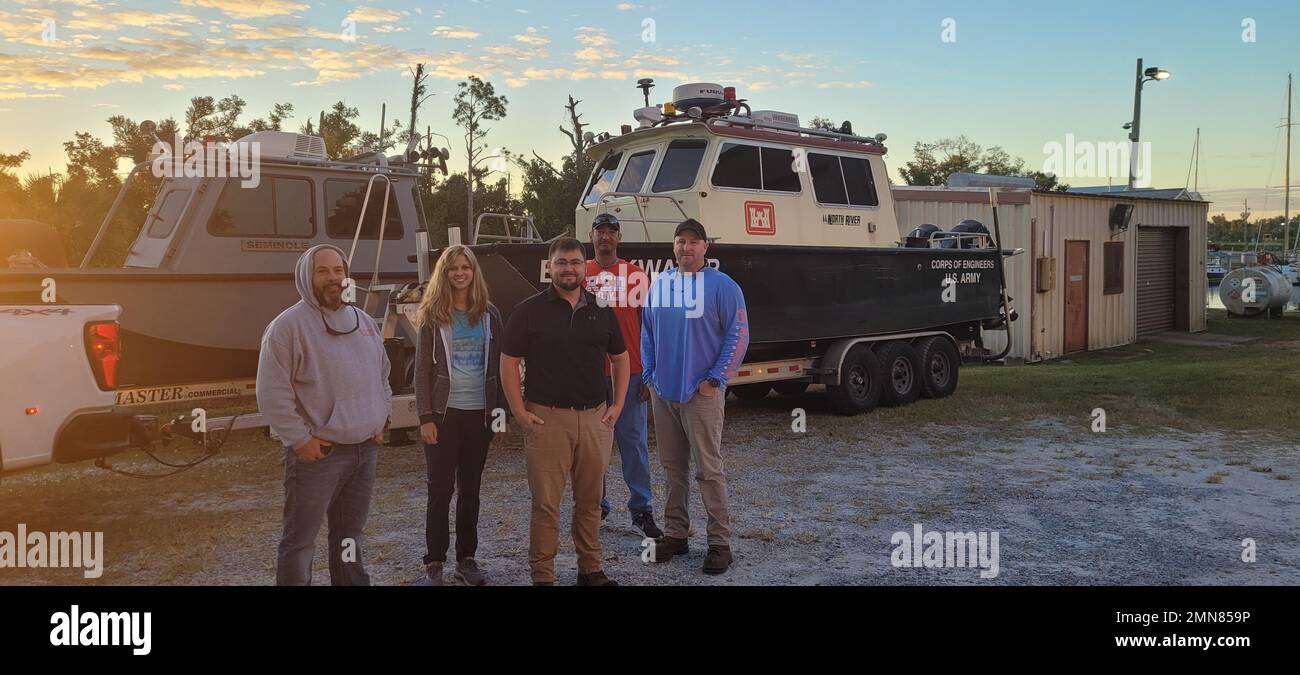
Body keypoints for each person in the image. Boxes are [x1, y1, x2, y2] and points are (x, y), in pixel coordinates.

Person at [257, 244, 391, 586]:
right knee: (300, 543)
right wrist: (300, 440)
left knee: (349, 536)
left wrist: (381, 420)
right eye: (323, 271)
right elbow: (272, 393)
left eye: (339, 270)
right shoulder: (287, 327)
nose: (334, 278)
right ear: (306, 276)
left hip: (365, 450)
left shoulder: (362, 321)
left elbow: (382, 375)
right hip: (320, 456)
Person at [501, 237, 630, 586]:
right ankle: (543, 574)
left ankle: (590, 569)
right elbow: (508, 362)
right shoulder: (528, 311)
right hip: (547, 419)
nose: (568, 268)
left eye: (575, 262)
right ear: (550, 267)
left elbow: (620, 358)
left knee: (590, 501)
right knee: (546, 504)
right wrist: (519, 411)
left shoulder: (602, 308)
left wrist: (617, 405)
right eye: (561, 262)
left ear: (583, 266)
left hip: (594, 419)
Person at [641, 219, 749, 575]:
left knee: (708, 469)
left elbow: (739, 336)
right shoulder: (661, 284)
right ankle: (676, 535)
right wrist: (650, 375)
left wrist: (715, 380)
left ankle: (720, 543)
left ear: (705, 247)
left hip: (701, 395)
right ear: (673, 247)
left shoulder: (723, 286)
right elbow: (647, 333)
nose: (685, 247)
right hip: (664, 393)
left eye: (692, 242)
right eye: (679, 242)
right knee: (674, 470)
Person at [413, 245, 506, 586]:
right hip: (443, 416)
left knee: (471, 491)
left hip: (478, 416)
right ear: (444, 273)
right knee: (440, 491)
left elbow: (498, 367)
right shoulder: (432, 315)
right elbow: (422, 370)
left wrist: (499, 415)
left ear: (474, 271)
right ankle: (434, 562)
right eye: (452, 268)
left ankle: (466, 559)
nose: (459, 273)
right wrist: (425, 416)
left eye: (465, 267)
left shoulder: (490, 313)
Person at [585, 213, 662, 539]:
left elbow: (651, 325)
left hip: (629, 374)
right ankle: (595, 507)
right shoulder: (581, 272)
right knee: (591, 446)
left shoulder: (636, 275)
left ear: (618, 237)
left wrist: (649, 372)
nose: (605, 237)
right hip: (587, 375)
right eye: (600, 231)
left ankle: (641, 509)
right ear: (592, 236)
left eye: (611, 232)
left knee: (633, 443)